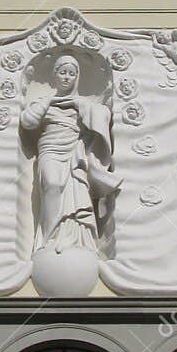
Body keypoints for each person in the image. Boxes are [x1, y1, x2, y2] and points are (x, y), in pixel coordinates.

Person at [20, 54, 121, 253]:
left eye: (72, 74)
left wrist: (80, 106)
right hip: (50, 149)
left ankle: (74, 238)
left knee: (76, 191)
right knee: (53, 184)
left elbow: (102, 117)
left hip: (74, 153)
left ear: (77, 77)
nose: (67, 77)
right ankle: (48, 238)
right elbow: (28, 122)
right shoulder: (43, 101)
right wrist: (48, 101)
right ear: (55, 75)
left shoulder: (82, 104)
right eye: (63, 72)